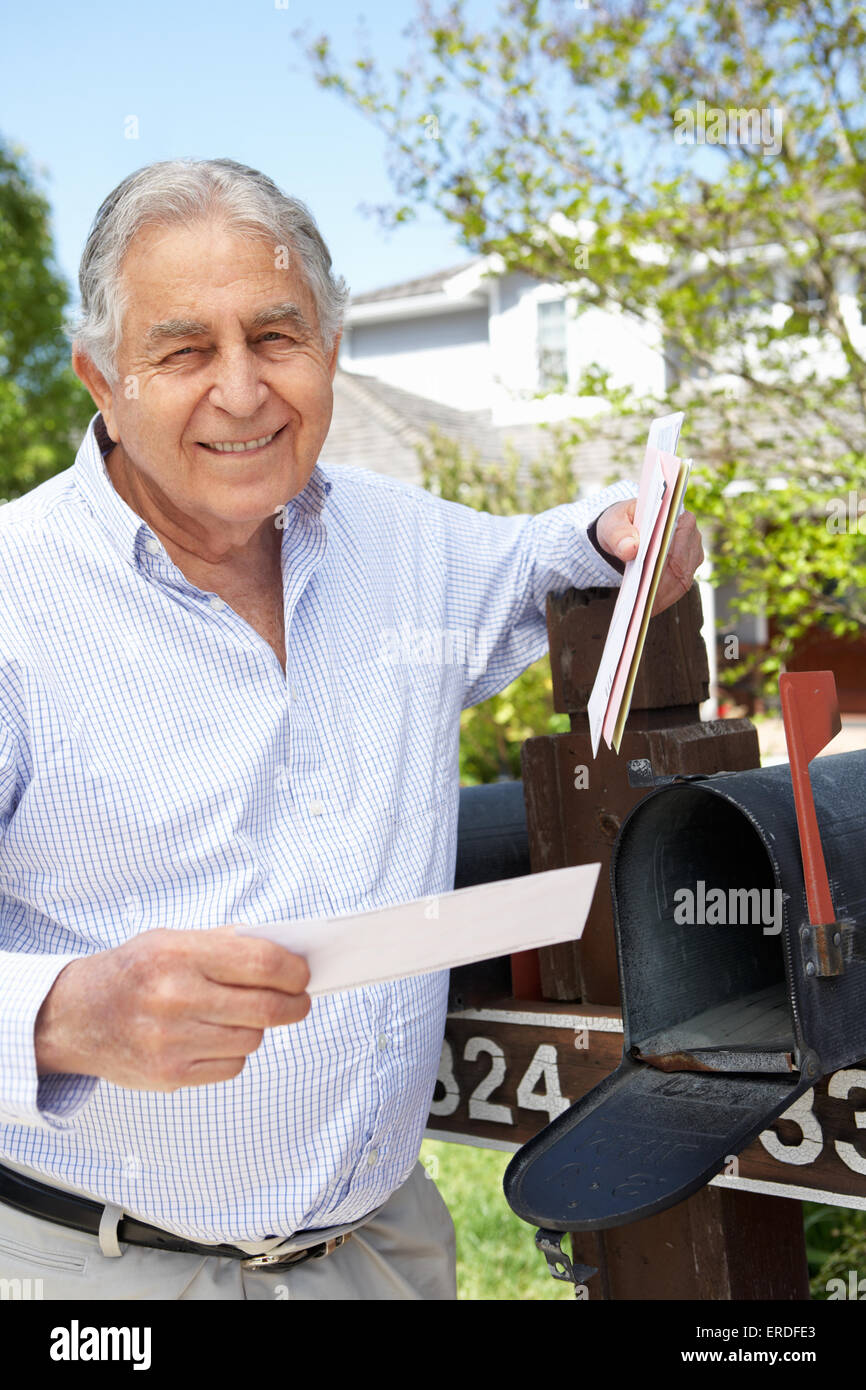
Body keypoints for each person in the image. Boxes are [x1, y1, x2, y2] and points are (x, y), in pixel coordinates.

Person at [0, 158, 704, 1300]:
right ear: (100, 378)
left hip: (378, 1256)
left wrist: (630, 531)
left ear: (328, 349)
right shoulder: (11, 598)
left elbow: (548, 551)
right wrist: (62, 1016)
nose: (241, 391)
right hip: (90, 1276)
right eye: (182, 351)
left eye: (276, 338)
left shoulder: (402, 541)